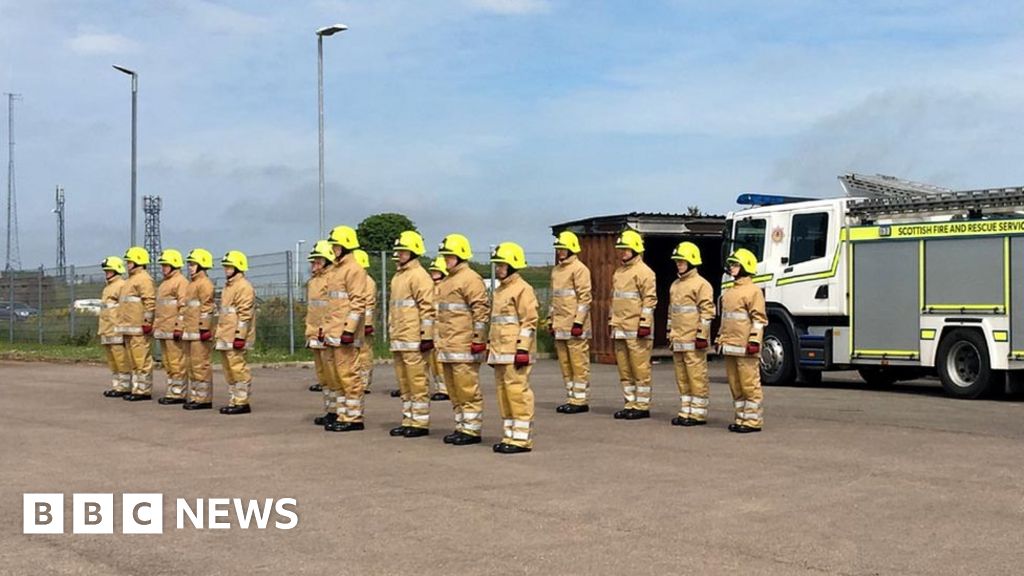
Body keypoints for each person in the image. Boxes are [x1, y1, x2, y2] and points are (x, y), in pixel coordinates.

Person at [435, 233, 490, 446]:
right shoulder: (448, 280)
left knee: (467, 389)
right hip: (448, 345)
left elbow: (481, 311)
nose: (446, 259)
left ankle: (472, 430)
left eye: (449, 256)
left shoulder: (470, 278)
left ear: (460, 255)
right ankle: (461, 426)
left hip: (464, 345)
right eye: (445, 256)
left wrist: (478, 338)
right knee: (454, 390)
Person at [487, 242, 538, 454]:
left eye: (501, 264)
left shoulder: (523, 289)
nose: (498, 268)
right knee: (503, 395)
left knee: (517, 394)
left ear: (512, 265)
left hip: (514, 353)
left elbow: (529, 321)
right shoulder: (500, 290)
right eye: (497, 264)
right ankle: (509, 435)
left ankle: (521, 439)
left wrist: (523, 350)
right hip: (500, 352)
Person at [387, 231, 435, 438]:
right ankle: (408, 419)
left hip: (414, 338)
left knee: (417, 382)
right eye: (398, 251)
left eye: (404, 251)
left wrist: (426, 336)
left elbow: (428, 308)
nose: (400, 254)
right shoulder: (399, 276)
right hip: (399, 337)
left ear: (414, 252)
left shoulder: (419, 276)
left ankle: (420, 423)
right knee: (404, 382)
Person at [322, 225, 370, 432]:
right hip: (333, 332)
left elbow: (358, 303)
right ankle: (342, 414)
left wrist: (349, 330)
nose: (333, 249)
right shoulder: (335, 270)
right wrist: (324, 329)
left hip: (344, 334)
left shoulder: (354, 270)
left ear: (346, 246)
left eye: (336, 245)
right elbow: (331, 304)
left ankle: (353, 418)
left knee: (349, 374)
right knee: (336, 376)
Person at [717, 248, 767, 433]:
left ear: (745, 266)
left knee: (749, 385)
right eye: (731, 264)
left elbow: (759, 319)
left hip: (746, 347)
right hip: (730, 346)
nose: (732, 268)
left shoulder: (753, 291)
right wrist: (719, 339)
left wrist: (754, 341)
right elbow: (726, 319)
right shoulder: (729, 292)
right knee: (735, 385)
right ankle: (741, 419)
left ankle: (753, 421)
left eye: (736, 264)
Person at [609, 229, 657, 420]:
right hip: (620, 327)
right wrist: (611, 321)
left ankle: (642, 405)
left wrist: (644, 324)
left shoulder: (645, 272)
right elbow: (615, 299)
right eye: (621, 249)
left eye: (626, 249)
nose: (622, 252)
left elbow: (650, 300)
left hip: (637, 330)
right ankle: (630, 403)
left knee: (640, 369)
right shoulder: (619, 272)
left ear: (636, 249)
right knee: (624, 369)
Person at [667, 242, 715, 426]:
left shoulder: (702, 285)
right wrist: (669, 332)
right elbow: (672, 312)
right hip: (678, 339)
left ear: (692, 261)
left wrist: (702, 336)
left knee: (696, 377)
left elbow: (707, 313)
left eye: (682, 261)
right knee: (682, 378)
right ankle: (685, 410)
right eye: (677, 261)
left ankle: (698, 414)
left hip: (694, 341)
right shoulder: (675, 285)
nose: (678, 264)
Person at [549, 231, 593, 414]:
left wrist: (578, 323)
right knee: (565, 365)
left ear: (572, 249)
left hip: (575, 326)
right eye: (559, 248)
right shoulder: (556, 271)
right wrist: (550, 321)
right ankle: (571, 397)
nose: (560, 252)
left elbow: (585, 298)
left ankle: (580, 400)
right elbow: (554, 299)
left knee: (578, 364)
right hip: (560, 324)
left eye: (563, 249)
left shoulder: (579, 269)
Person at [215, 250, 256, 415]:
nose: (226, 270)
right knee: (229, 370)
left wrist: (240, 335)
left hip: (235, 336)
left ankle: (242, 401)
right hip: (226, 334)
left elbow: (245, 315)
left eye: (229, 267)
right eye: (225, 267)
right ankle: (234, 400)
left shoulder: (244, 287)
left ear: (238, 267)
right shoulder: (228, 287)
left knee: (238, 368)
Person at [306, 241, 340, 426]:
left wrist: (328, 331)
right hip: (315, 333)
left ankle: (338, 411)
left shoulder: (332, 279)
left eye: (318, 262)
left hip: (327, 333)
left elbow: (334, 309)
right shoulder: (313, 282)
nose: (314, 266)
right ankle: (330, 410)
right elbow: (313, 311)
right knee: (323, 376)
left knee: (333, 374)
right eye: (313, 262)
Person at [117, 246, 156, 402]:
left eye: (130, 261)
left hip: (138, 328)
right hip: (129, 327)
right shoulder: (130, 280)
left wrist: (147, 322)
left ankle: (143, 390)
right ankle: (136, 388)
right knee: (133, 361)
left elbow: (150, 301)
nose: (127, 264)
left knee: (141, 361)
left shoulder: (144, 279)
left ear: (138, 261)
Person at [181, 248, 216, 410]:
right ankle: (196, 396)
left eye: (193, 264)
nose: (190, 267)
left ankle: (203, 399)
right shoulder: (192, 284)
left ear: (202, 265)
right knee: (191, 366)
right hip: (190, 331)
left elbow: (207, 307)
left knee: (200, 365)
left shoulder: (205, 284)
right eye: (189, 264)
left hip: (198, 333)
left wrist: (204, 328)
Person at [154, 249, 191, 405]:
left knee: (177, 363)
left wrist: (179, 327)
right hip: (164, 329)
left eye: (166, 265)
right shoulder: (164, 284)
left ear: (174, 265)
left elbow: (184, 307)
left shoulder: (181, 282)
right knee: (169, 363)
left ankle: (178, 394)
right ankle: (172, 391)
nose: (163, 268)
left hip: (173, 330)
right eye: (162, 265)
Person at [99, 256, 131, 398]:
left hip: (116, 329)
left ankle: (125, 386)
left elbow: (125, 309)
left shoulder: (122, 285)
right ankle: (117, 386)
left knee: (121, 360)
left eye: (109, 270)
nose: (107, 273)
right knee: (112, 361)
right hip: (106, 329)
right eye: (106, 271)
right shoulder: (107, 288)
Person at [354, 249, 377, 394]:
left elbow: (369, 304)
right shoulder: (354, 281)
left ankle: (364, 382)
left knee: (364, 353)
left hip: (364, 325)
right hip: (354, 324)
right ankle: (356, 381)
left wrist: (367, 323)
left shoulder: (368, 282)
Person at [427, 256, 450, 401]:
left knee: (442, 361)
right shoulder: (431, 288)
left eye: (436, 271)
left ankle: (445, 389)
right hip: (432, 329)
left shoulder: (446, 288)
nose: (433, 274)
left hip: (443, 329)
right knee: (433, 361)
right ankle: (439, 387)